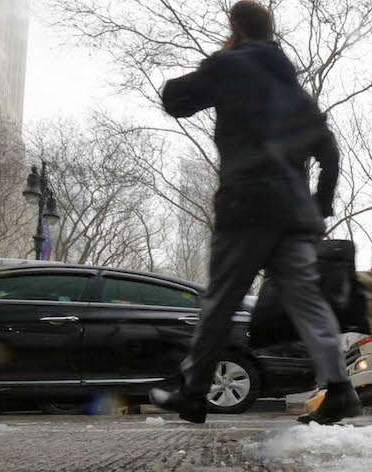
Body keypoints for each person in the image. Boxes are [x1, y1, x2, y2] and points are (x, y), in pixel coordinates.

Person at [149, 0, 359, 425]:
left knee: (222, 299)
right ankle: (339, 390)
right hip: (295, 217)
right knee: (308, 303)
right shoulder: (298, 93)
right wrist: (321, 204)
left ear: (237, 27)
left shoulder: (231, 66)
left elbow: (175, 99)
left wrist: (220, 60)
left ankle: (192, 393)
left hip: (246, 207)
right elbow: (330, 152)